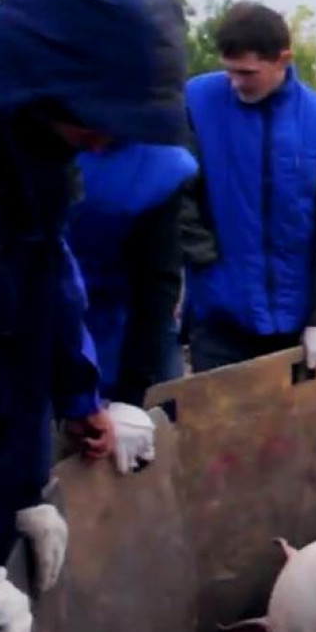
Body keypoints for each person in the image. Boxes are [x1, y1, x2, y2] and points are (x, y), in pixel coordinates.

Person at [0, 0, 188, 632]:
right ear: (50, 75)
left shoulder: (31, 142)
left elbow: (43, 291)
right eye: (103, 117)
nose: (108, 139)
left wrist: (74, 405)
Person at [179, 2, 316, 373]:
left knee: (293, 429)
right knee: (221, 426)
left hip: (296, 322)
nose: (236, 83)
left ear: (282, 59)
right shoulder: (197, 101)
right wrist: (205, 258)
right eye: (229, 71)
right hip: (220, 316)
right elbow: (177, 191)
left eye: (247, 72)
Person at [68, 142, 198, 463]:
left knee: (157, 436)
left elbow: (156, 283)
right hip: (50, 321)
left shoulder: (159, 166)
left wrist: (131, 396)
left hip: (126, 321)